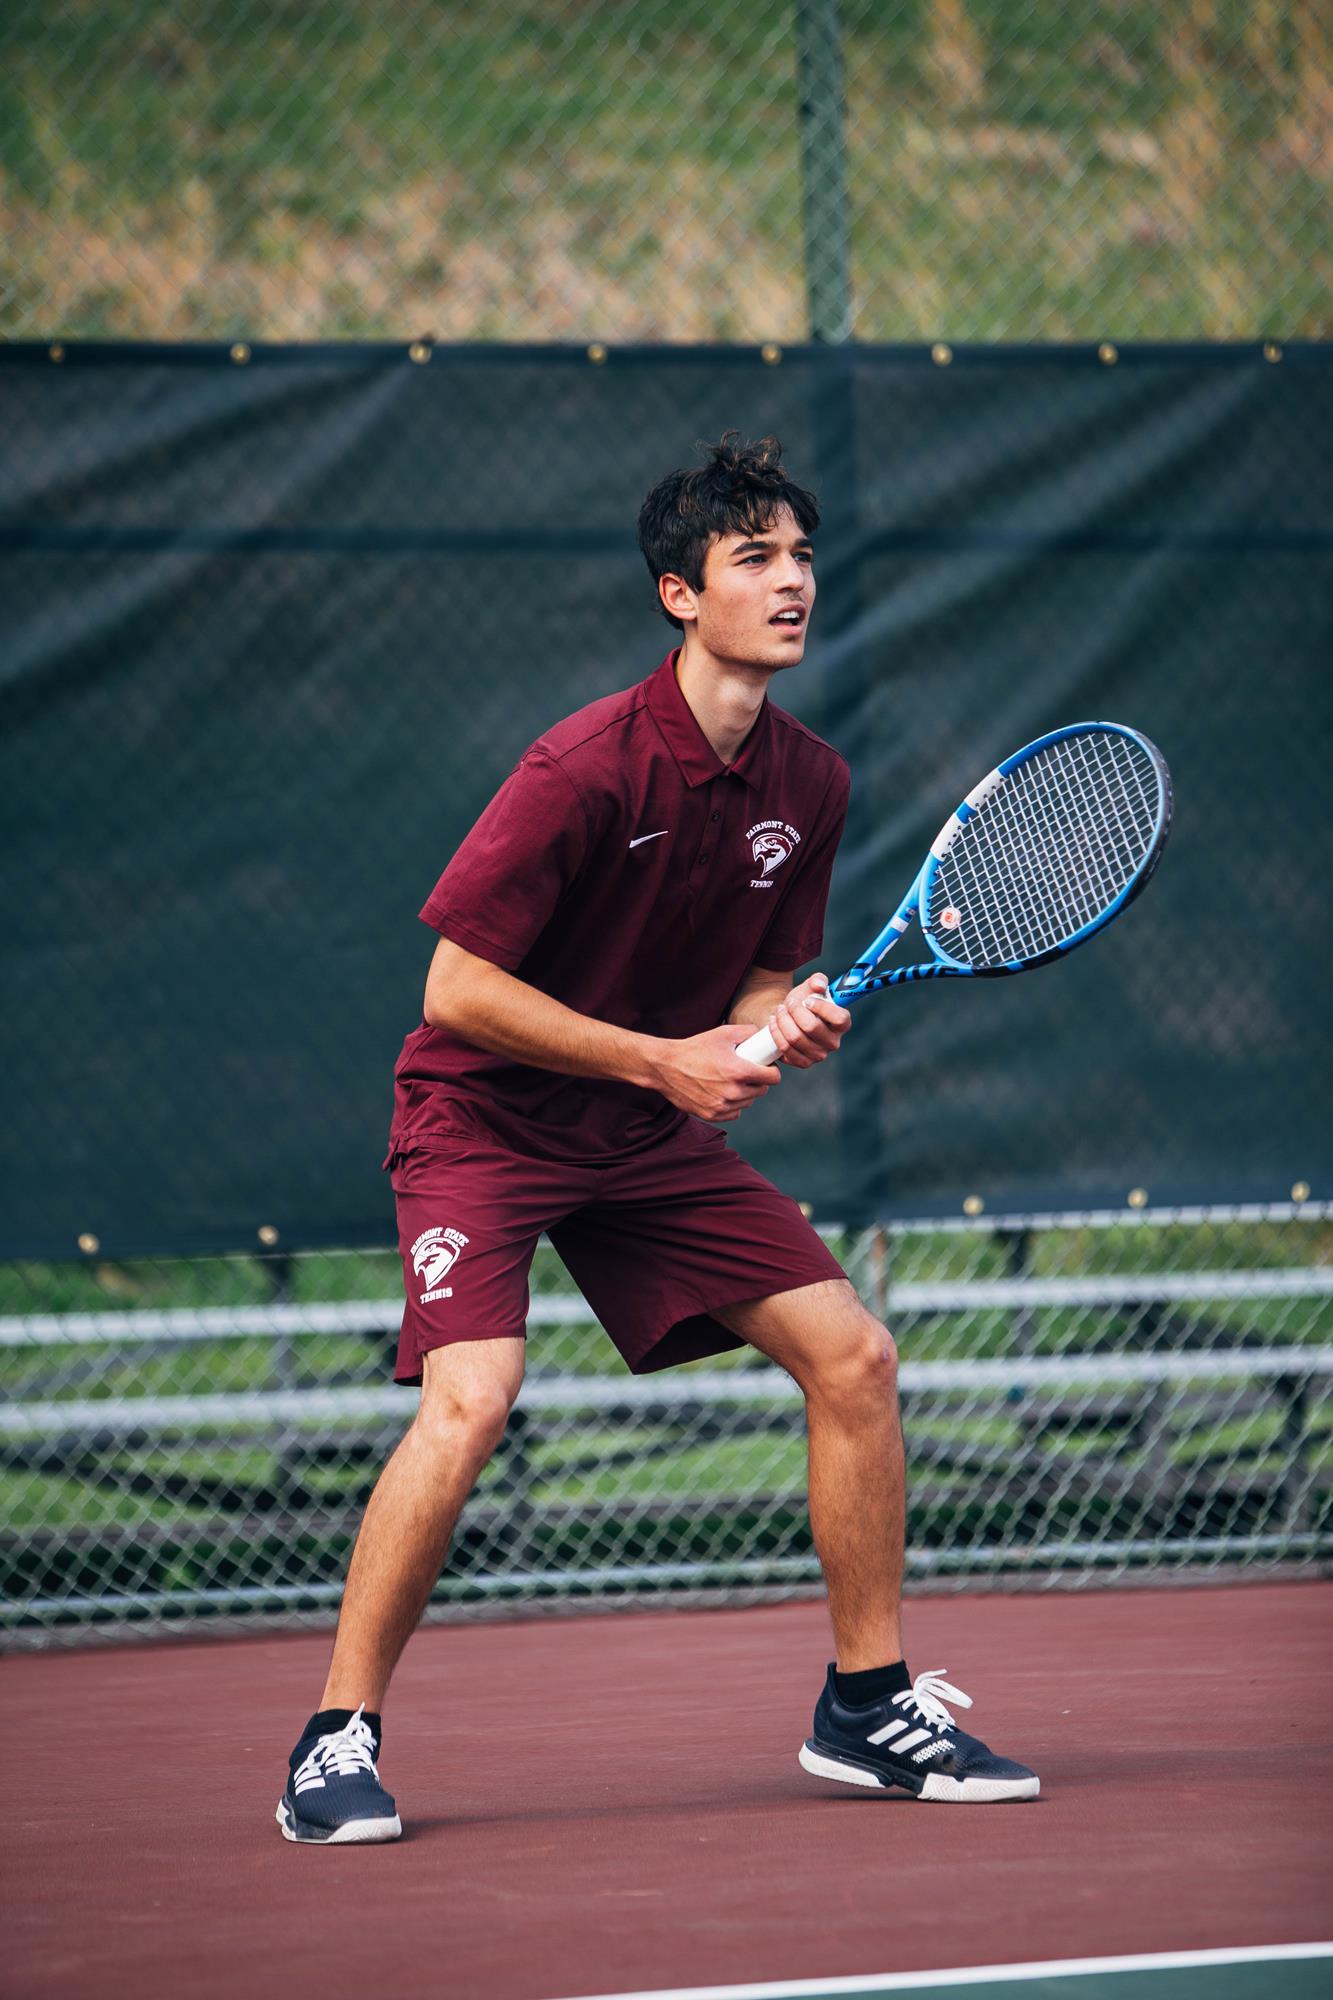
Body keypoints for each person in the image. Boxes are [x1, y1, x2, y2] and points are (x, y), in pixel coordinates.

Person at [276, 434, 1039, 1844]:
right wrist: (661, 1059)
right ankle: (335, 1739)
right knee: (472, 1399)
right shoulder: (578, 768)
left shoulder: (809, 782)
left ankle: (866, 1708)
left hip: (640, 1133)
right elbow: (454, 988)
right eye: (754, 559)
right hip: (483, 1120)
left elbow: (757, 981)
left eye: (802, 556)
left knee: (854, 1355)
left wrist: (771, 1030)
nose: (793, 582)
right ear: (678, 595)